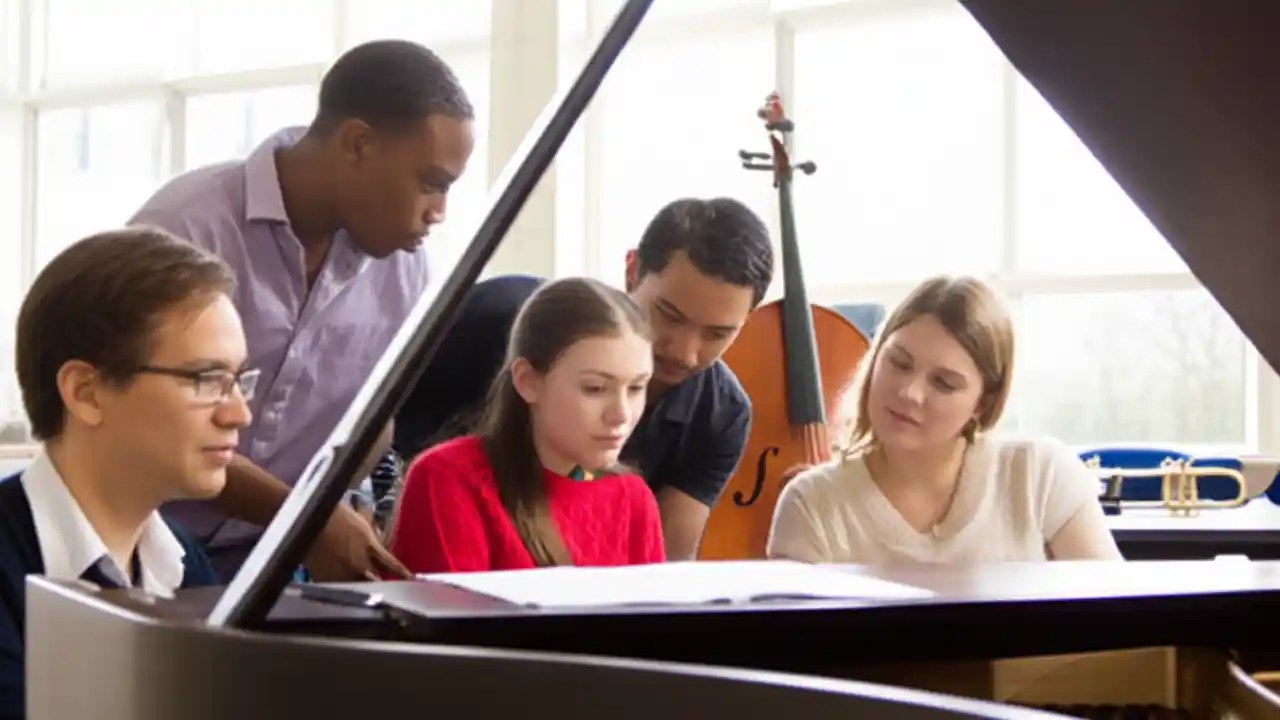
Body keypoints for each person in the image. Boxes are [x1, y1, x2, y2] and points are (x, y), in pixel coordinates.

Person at [126, 39, 476, 582]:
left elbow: (374, 417)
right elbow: (144, 422)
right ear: (358, 143)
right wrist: (306, 518)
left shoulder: (406, 271)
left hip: (284, 555)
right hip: (145, 548)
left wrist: (337, 505)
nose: (439, 213)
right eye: (431, 183)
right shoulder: (186, 229)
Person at [392, 197, 775, 560]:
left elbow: (662, 573)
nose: (684, 352)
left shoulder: (720, 416)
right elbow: (364, 409)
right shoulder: (495, 318)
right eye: (669, 316)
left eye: (717, 334)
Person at [0, 228, 249, 717]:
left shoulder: (182, 563)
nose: (239, 413)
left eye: (238, 380)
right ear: (87, 393)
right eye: (206, 380)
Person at [767, 275, 1123, 565]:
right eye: (899, 363)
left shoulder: (1039, 473)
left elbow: (1119, 626)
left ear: (982, 404)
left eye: (943, 383)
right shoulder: (811, 503)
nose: (909, 392)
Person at [387, 278, 665, 573]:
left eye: (636, 388)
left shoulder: (633, 497)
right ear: (528, 381)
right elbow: (453, 619)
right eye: (595, 388)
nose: (621, 414)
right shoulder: (448, 478)